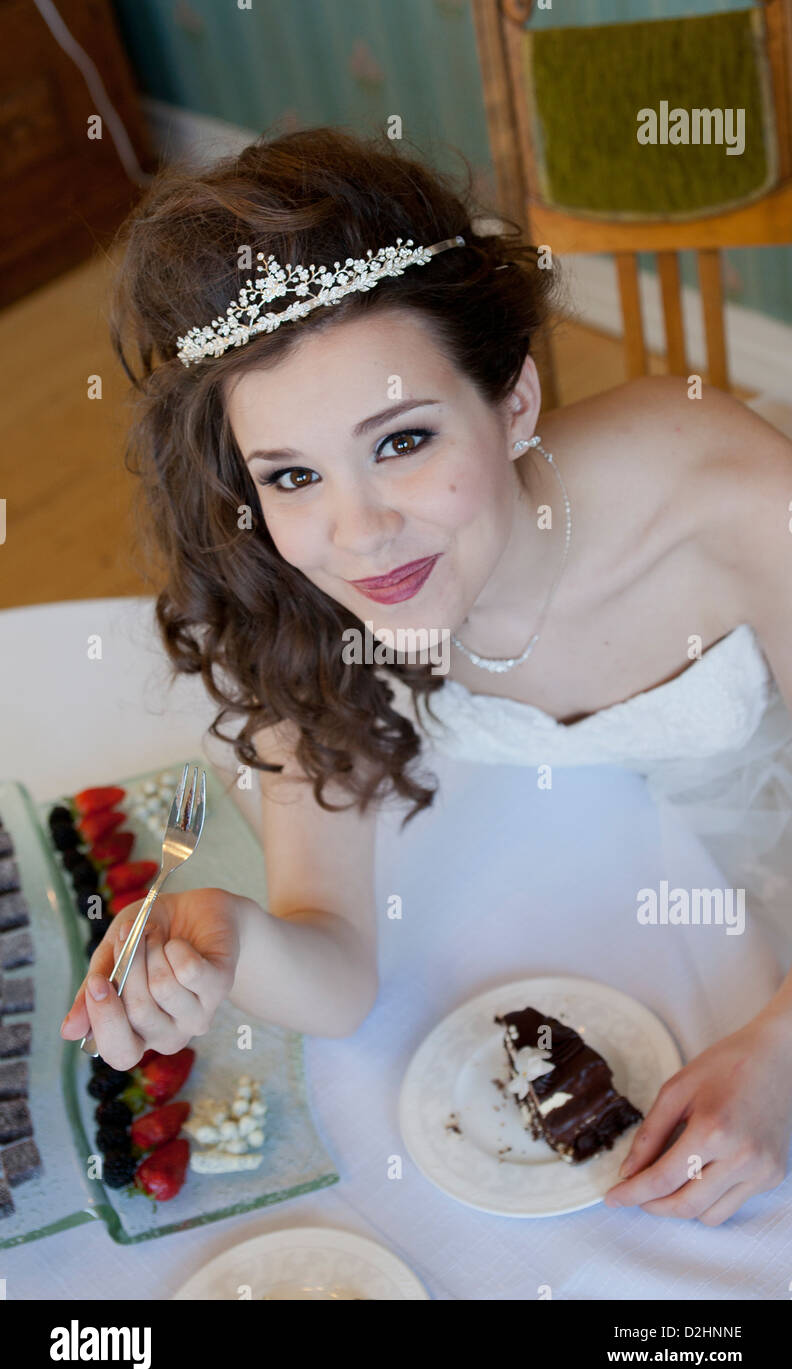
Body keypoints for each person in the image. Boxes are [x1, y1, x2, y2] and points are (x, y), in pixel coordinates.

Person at [61, 126, 792, 1225]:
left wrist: (780, 1060)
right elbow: (342, 969)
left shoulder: (731, 499)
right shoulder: (300, 602)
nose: (359, 535)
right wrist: (237, 935)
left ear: (513, 402)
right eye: (295, 474)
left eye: (401, 441)